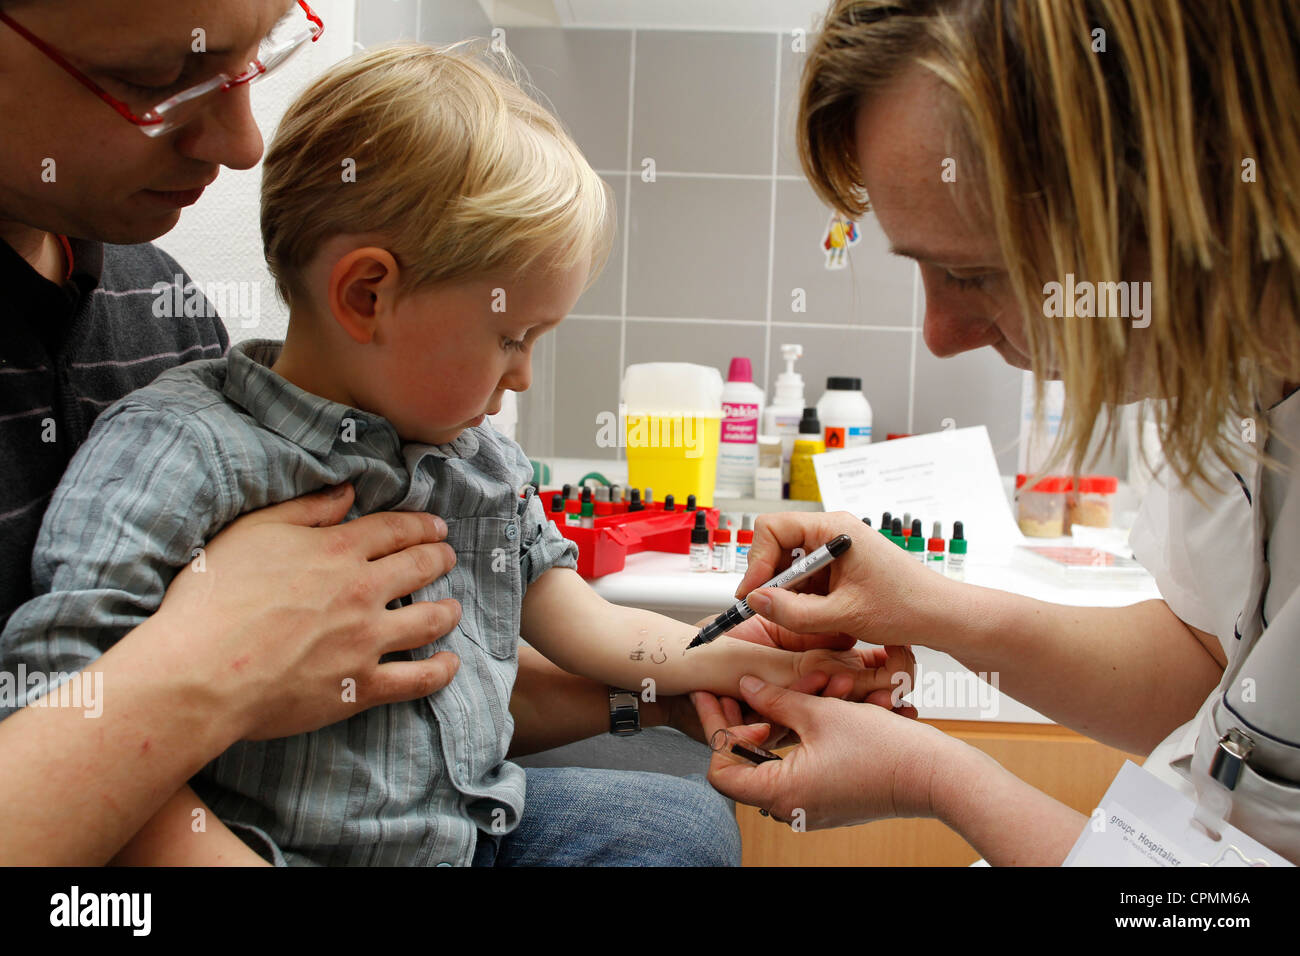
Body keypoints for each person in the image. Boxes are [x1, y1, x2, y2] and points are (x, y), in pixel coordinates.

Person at [0, 39, 907, 866]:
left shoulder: (475, 462)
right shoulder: (181, 445)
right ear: (367, 296)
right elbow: (66, 680)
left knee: (675, 828)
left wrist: (742, 666)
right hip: (275, 848)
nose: (522, 377)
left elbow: (576, 619)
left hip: (463, 827)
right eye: (512, 338)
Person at [693, 0, 1300, 865]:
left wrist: (934, 780)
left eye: (974, 272)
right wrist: (927, 607)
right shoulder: (1217, 376)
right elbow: (1217, 672)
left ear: (1174, 191)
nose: (940, 333)